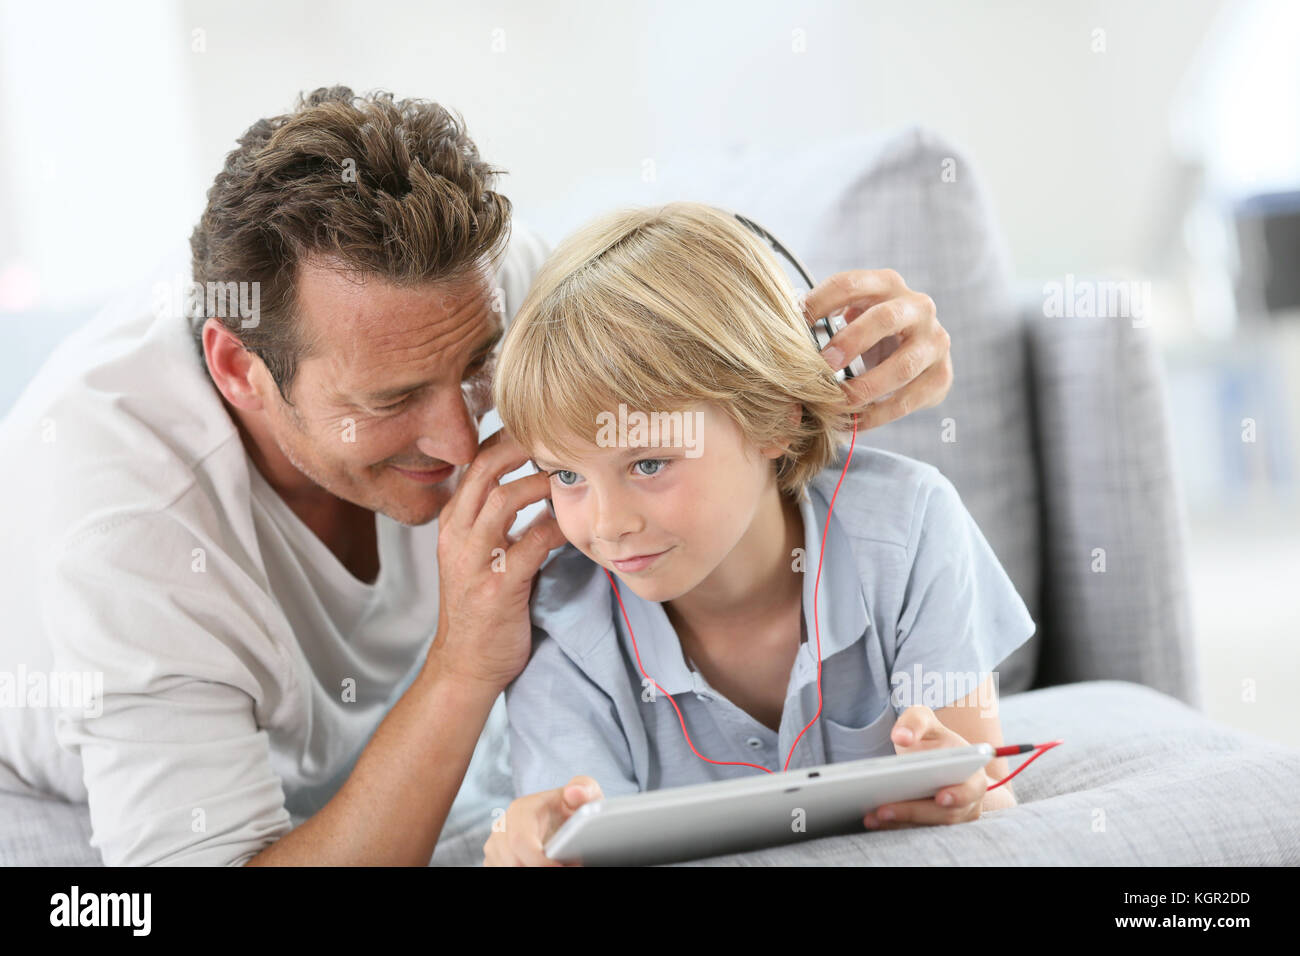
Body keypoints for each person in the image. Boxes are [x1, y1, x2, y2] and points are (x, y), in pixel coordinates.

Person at [0, 88, 954, 866]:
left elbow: (719, 358)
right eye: (392, 400)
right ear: (240, 369)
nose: (463, 441)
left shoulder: (494, 290)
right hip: (82, 807)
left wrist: (860, 352)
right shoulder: (124, 521)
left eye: (477, 367)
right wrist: (464, 663)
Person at [484, 202, 1032, 866]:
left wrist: (965, 796)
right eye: (566, 475)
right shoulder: (564, 630)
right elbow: (578, 838)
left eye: (649, 463)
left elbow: (987, 792)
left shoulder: (909, 530)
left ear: (774, 418)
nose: (606, 523)